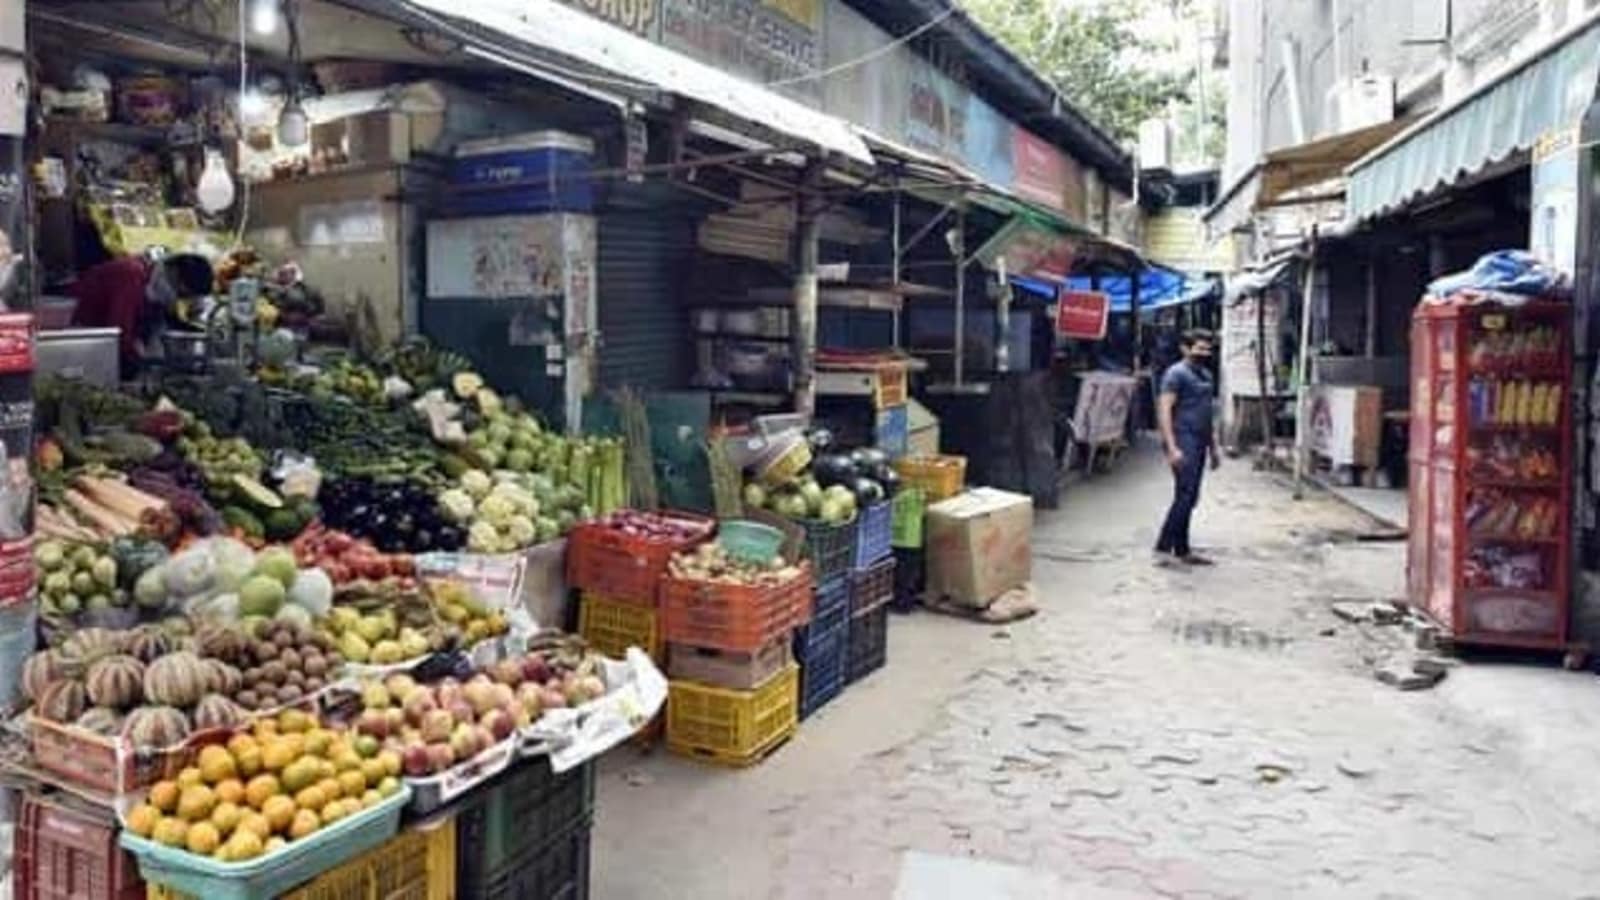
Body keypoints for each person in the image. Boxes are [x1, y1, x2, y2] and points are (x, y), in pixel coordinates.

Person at [71, 251, 215, 376]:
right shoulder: (131, 275)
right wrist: (144, 359)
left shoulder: (154, 288)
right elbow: (120, 334)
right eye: (181, 293)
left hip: (102, 348)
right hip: (80, 344)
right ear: (174, 272)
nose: (177, 298)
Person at [1155, 329, 1221, 565]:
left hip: (1200, 440)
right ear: (1185, 348)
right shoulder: (1175, 374)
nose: (1204, 353)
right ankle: (1163, 547)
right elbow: (1164, 410)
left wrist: (1213, 447)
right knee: (1185, 494)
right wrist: (1172, 447)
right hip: (1183, 438)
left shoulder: (1206, 375)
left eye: (1207, 349)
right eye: (1199, 348)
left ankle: (1182, 549)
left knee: (1190, 496)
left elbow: (1207, 414)